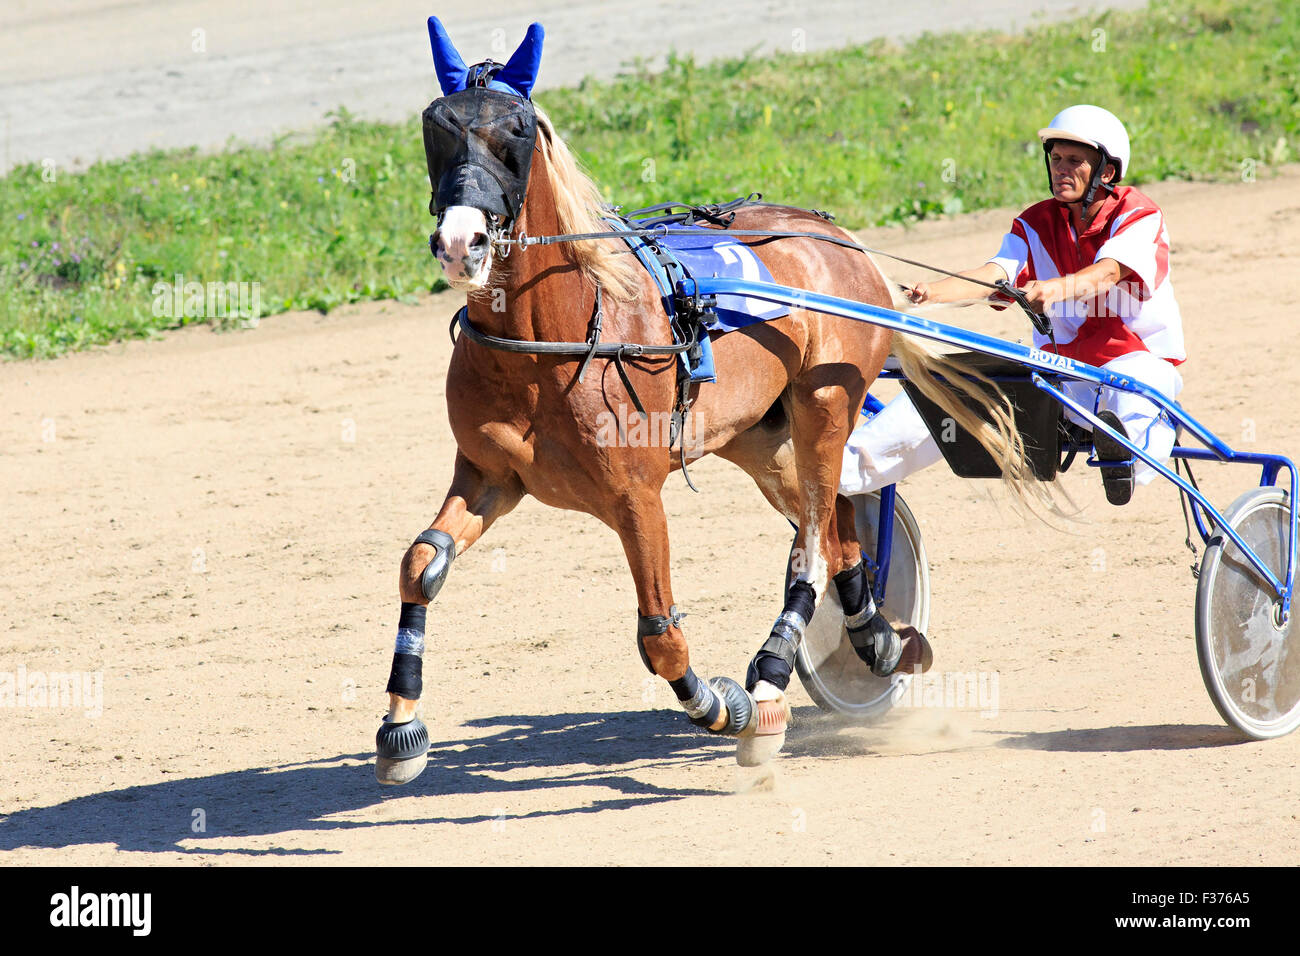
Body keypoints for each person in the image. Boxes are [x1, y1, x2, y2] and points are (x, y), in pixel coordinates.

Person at [841, 104, 1185, 505]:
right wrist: (929, 292)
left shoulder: (1138, 214)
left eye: (1075, 161)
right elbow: (995, 274)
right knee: (947, 385)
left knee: (1136, 390)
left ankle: (1125, 461)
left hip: (1134, 366)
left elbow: (1107, 273)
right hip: (1059, 378)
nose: (1061, 169)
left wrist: (1055, 288)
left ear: (1106, 172)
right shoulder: (1035, 222)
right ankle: (844, 471)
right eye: (1056, 159)